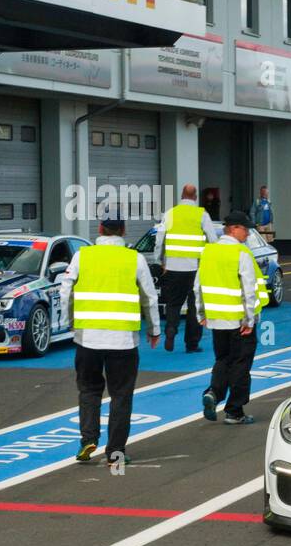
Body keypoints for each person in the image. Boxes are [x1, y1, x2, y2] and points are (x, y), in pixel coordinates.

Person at [59, 217, 161, 465]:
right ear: (123, 231)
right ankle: (116, 451)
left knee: (89, 390)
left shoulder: (83, 256)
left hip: (88, 339)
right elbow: (149, 296)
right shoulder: (134, 258)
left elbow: (66, 290)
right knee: (121, 395)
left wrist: (68, 321)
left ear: (100, 230)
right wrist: (154, 328)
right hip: (123, 342)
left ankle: (88, 439)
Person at [195, 210, 269, 425]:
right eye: (245, 230)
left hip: (216, 320)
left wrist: (201, 313)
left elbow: (197, 286)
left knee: (222, 359)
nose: (247, 234)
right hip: (239, 322)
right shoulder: (241, 253)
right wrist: (249, 320)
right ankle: (234, 411)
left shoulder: (208, 252)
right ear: (234, 228)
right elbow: (248, 290)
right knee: (241, 364)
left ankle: (214, 393)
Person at [154, 184, 216, 353]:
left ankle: (171, 330)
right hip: (195, 268)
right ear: (195, 197)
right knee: (194, 306)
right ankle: (192, 344)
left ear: (181, 195)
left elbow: (159, 240)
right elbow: (212, 239)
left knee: (174, 303)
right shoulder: (201, 215)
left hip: (173, 267)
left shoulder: (170, 214)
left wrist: (160, 261)